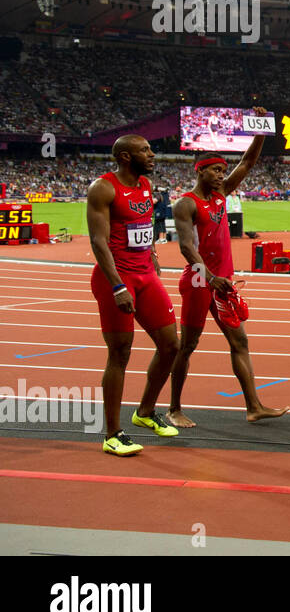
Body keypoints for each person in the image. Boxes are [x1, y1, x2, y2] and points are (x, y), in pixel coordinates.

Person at [169, 112, 288, 427]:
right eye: (216, 171)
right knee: (188, 345)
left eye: (224, 170)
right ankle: (174, 408)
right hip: (198, 280)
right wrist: (210, 277)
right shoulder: (186, 204)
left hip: (223, 282)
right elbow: (185, 247)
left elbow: (247, 163)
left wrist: (261, 131)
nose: (222, 175)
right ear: (201, 172)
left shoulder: (221, 196)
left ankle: (253, 406)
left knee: (240, 342)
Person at [86, 135, 182, 455]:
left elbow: (143, 224)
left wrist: (152, 253)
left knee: (171, 345)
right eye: (145, 150)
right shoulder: (103, 188)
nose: (152, 155)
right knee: (120, 353)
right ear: (126, 156)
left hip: (145, 275)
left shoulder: (144, 185)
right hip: (116, 278)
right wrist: (117, 286)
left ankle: (144, 412)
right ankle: (113, 433)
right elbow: (99, 242)